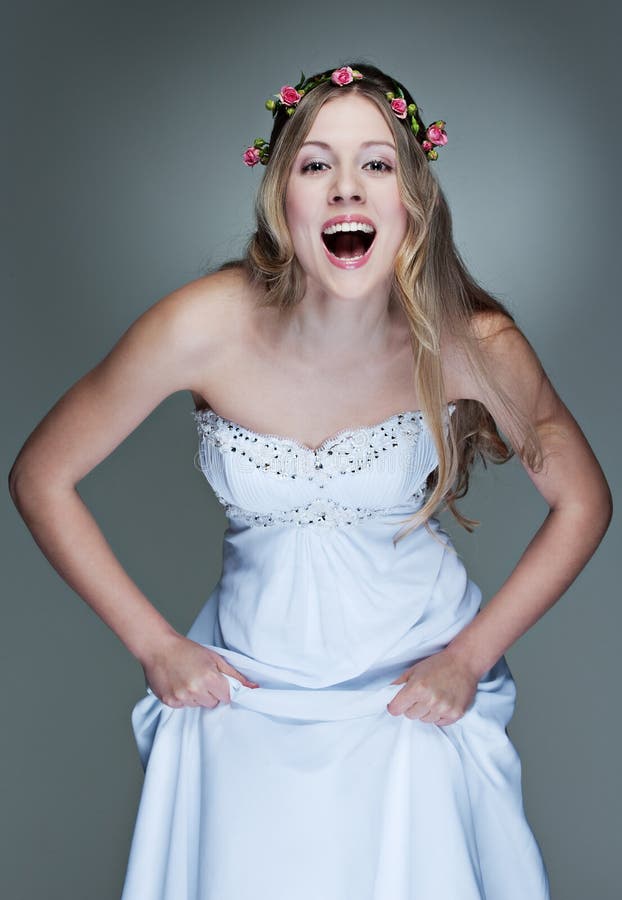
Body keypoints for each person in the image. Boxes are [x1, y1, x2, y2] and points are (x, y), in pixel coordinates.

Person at [8, 61, 612, 900]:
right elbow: (41, 475)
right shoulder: (202, 325)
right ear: (279, 192)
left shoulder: (472, 340)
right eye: (315, 164)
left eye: (376, 164)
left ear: (413, 197)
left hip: (411, 688)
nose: (345, 191)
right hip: (246, 691)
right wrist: (154, 645)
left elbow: (583, 500)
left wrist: (469, 660)